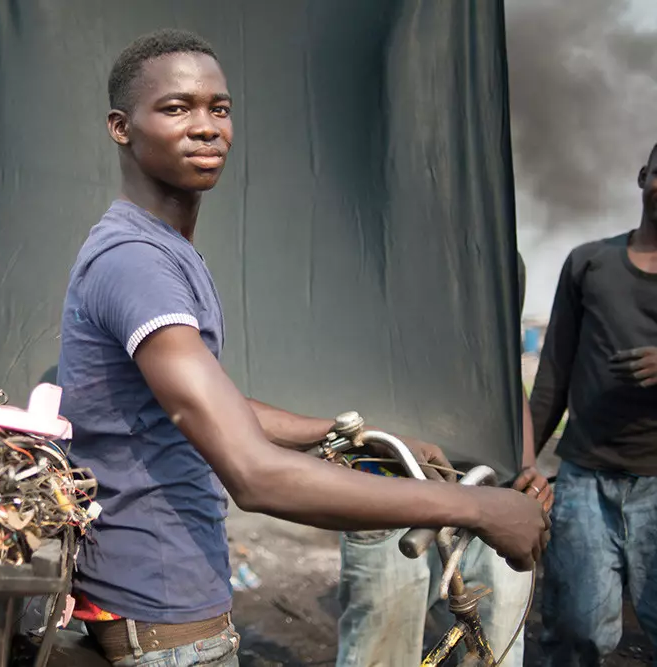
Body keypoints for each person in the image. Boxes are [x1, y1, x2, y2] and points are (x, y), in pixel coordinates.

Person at [55, 29, 550, 667]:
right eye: (176, 108)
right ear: (121, 127)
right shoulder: (137, 264)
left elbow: (216, 403)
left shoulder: (162, 250)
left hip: (161, 607)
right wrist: (478, 508)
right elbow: (255, 477)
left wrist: (349, 437)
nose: (206, 126)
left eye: (219, 108)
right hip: (164, 619)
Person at [336, 254, 554, 667]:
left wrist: (527, 467)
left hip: (491, 489)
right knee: (381, 650)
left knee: (495, 647)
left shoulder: (500, 256)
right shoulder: (380, 251)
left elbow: (505, 380)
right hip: (387, 489)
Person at [531, 144, 657, 666]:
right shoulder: (590, 263)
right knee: (576, 629)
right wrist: (521, 468)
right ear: (643, 176)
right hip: (585, 478)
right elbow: (552, 376)